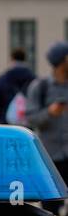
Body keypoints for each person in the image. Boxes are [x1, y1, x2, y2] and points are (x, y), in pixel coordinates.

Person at [26, 41, 68, 182]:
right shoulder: (39, 87)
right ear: (63, 60)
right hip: (50, 158)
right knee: (51, 204)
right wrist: (49, 113)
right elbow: (30, 118)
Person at [0, 50, 37, 125]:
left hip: (7, 124)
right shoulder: (34, 79)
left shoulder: (3, 79)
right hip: (27, 126)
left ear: (12, 59)